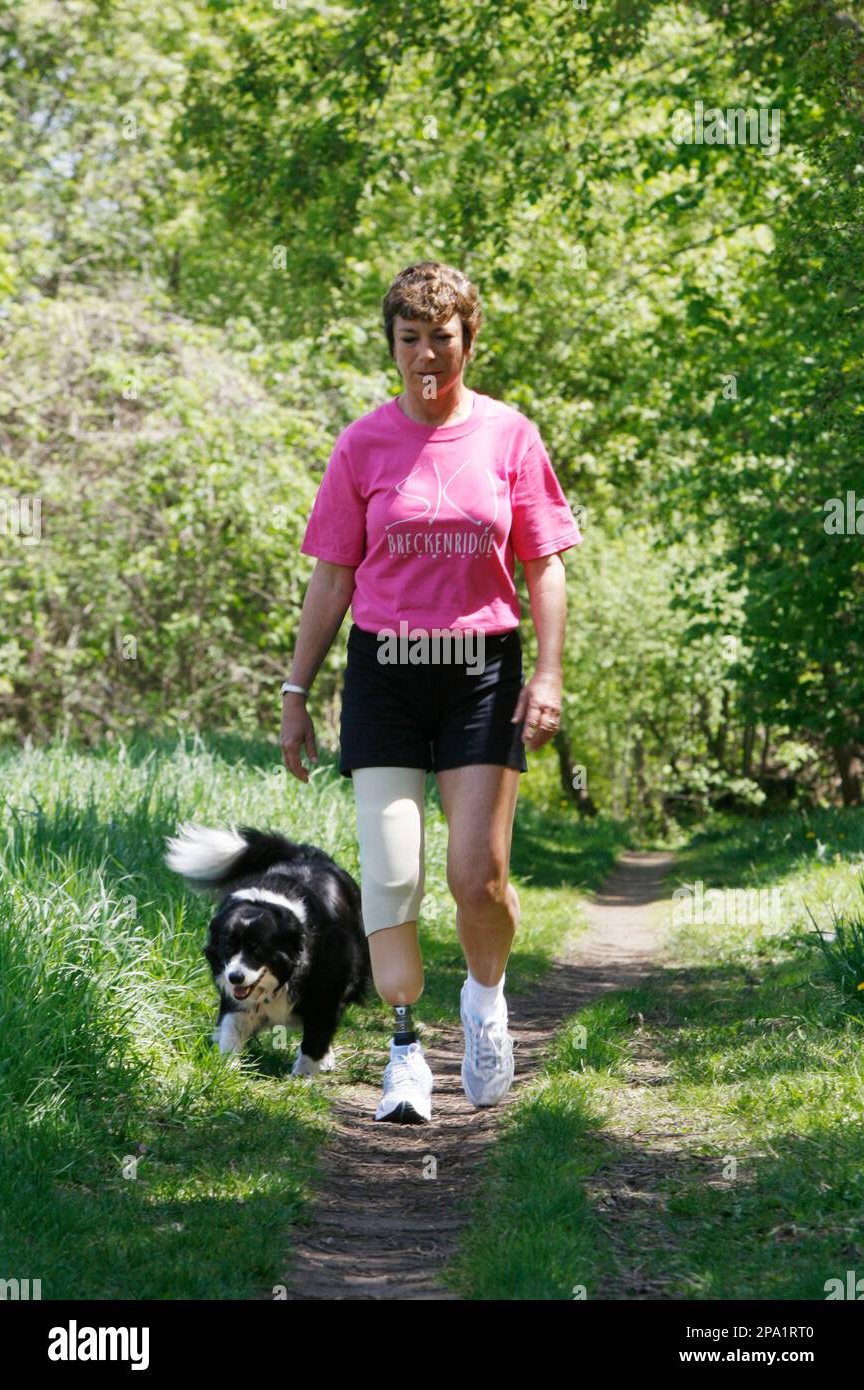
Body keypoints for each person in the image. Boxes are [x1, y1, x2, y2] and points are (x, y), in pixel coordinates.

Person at [279, 261, 582, 1123]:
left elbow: (544, 566)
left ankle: (485, 1005)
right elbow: (333, 579)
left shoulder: (510, 436)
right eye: (409, 340)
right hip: (385, 674)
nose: (425, 356)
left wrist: (550, 675)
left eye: (440, 339)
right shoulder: (362, 444)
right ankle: (405, 1054)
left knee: (477, 877)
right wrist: (296, 690)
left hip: (482, 671)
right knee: (392, 875)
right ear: (392, 346)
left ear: (468, 340)